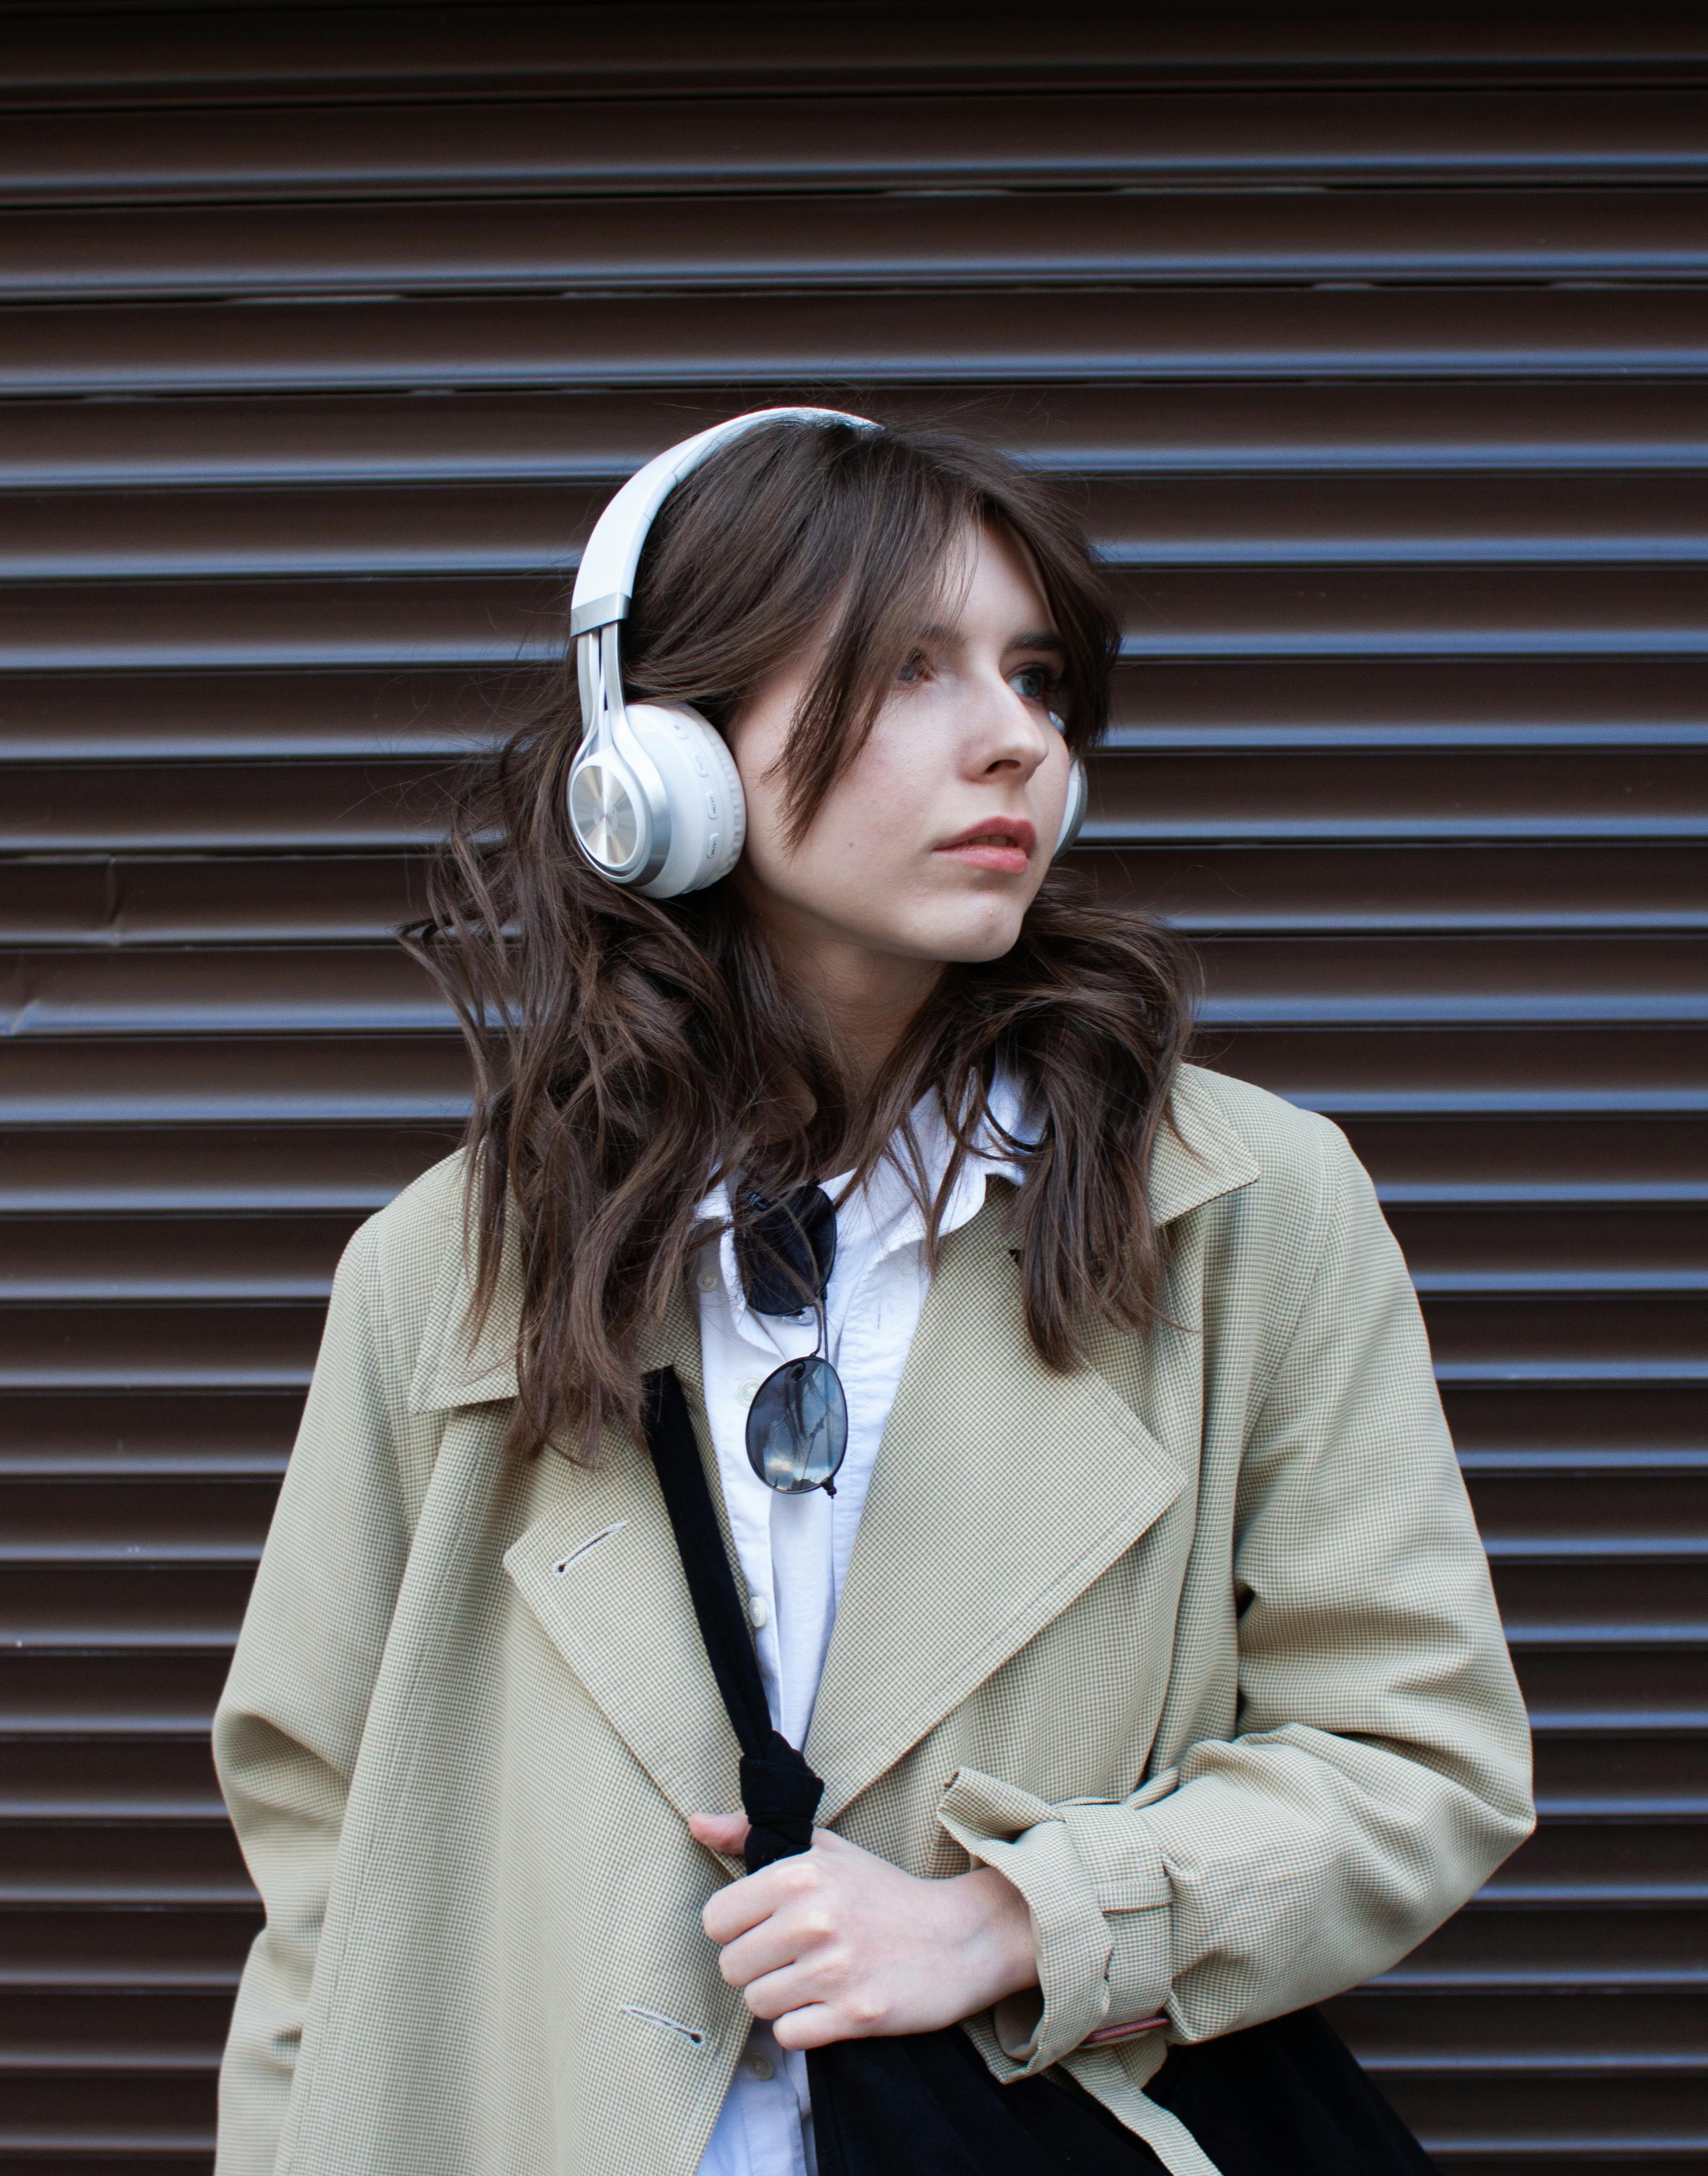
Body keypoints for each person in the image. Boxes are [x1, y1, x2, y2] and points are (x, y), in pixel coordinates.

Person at [210, 409, 1534, 2176]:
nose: (1016, 745)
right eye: (913, 670)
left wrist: (1017, 1922)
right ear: (666, 755)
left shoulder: (1242, 1209)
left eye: (1040, 678)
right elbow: (326, 1872)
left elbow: (1419, 1755)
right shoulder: (450, 1271)